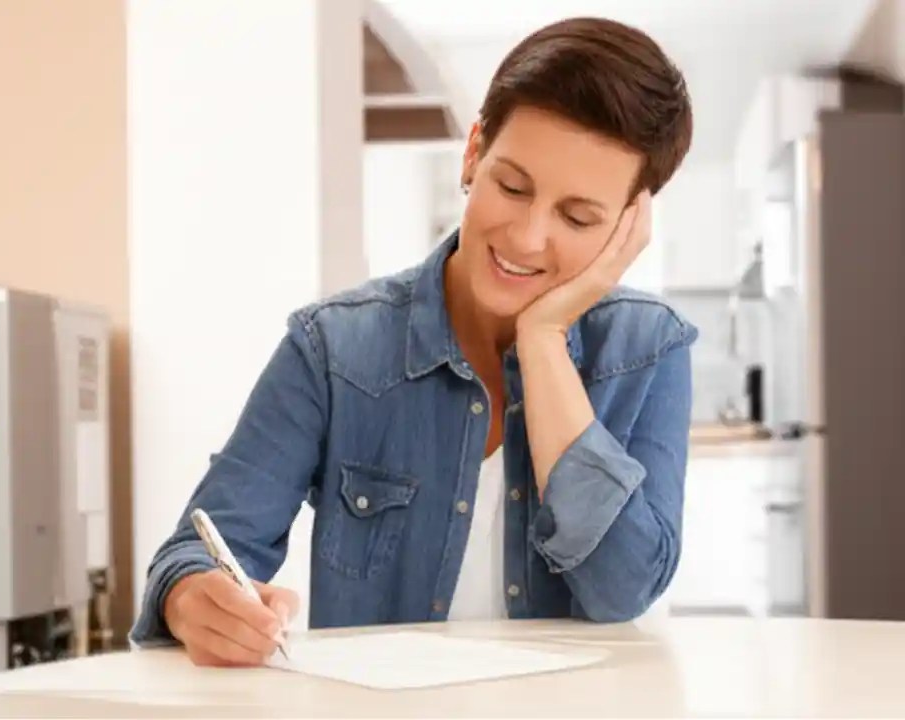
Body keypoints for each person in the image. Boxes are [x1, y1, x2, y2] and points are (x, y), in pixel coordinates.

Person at [131, 16, 697, 667]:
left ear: (629, 225)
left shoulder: (650, 350)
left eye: (577, 217)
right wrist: (192, 598)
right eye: (512, 186)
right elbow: (197, 550)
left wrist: (542, 344)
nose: (526, 237)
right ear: (473, 152)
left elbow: (622, 588)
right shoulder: (333, 349)